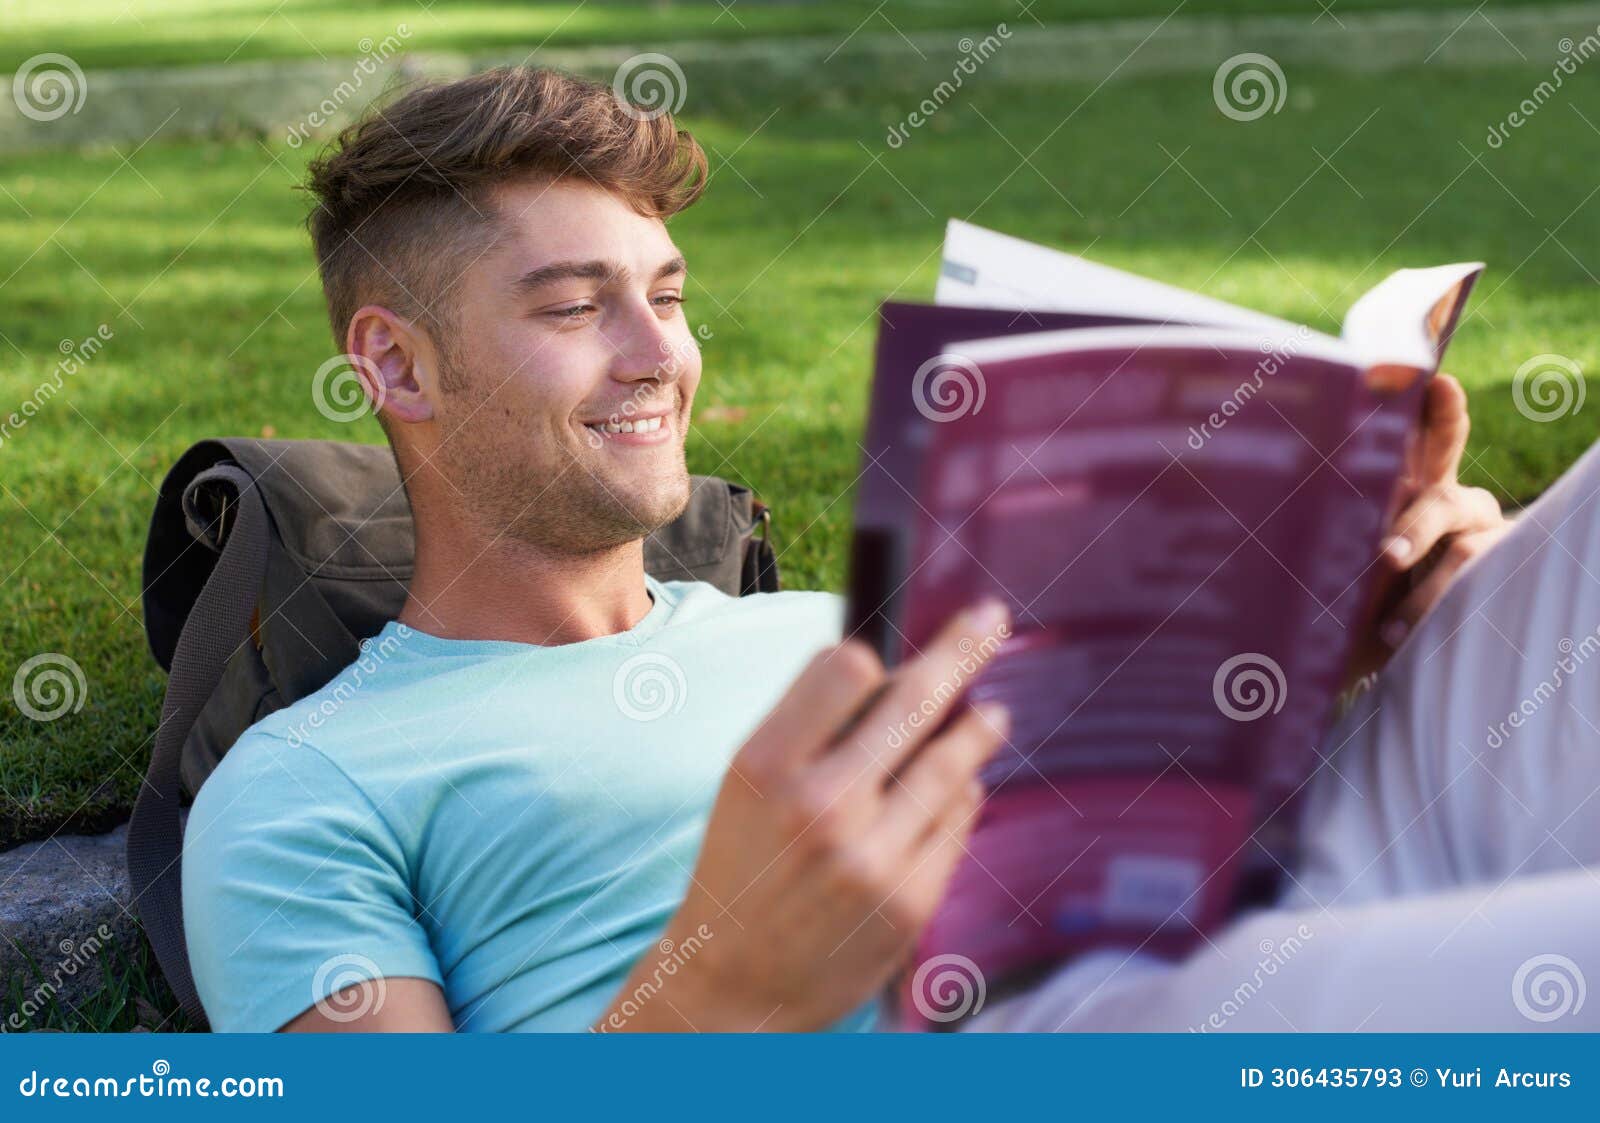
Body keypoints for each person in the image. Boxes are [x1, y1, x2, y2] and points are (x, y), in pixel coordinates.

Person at [182, 66, 1581, 1034]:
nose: (656, 354)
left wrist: (1339, 620)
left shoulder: (834, 631)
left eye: (667, 296)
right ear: (397, 366)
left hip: (1304, 866)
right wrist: (728, 980)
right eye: (573, 308)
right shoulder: (306, 791)